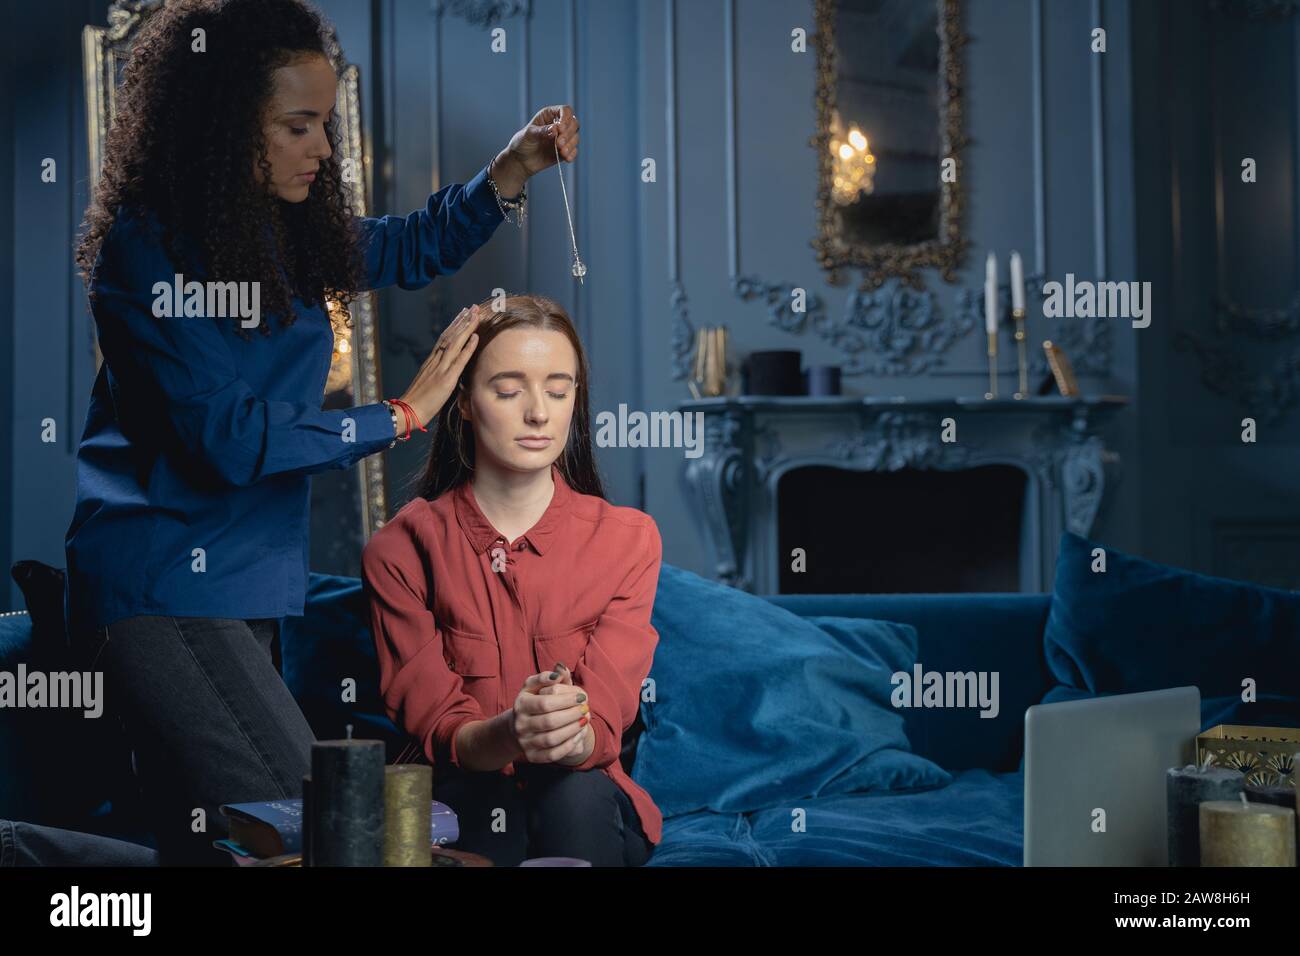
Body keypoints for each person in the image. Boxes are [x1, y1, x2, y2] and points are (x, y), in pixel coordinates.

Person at [48, 0, 580, 867]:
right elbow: (227, 438)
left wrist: (510, 170)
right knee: (337, 831)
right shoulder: (144, 253)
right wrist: (400, 415)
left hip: (245, 586)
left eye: (324, 124)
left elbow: (409, 248)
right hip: (161, 589)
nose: (324, 149)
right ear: (225, 127)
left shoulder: (276, 233)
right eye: (298, 126)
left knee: (233, 851)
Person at [361, 295, 662, 867]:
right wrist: (508, 732)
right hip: (458, 797)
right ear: (467, 403)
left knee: (572, 793)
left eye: (558, 389)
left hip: (583, 795)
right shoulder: (400, 550)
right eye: (507, 390)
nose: (538, 414)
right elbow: (440, 730)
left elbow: (607, 715)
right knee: (483, 813)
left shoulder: (629, 540)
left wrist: (569, 736)